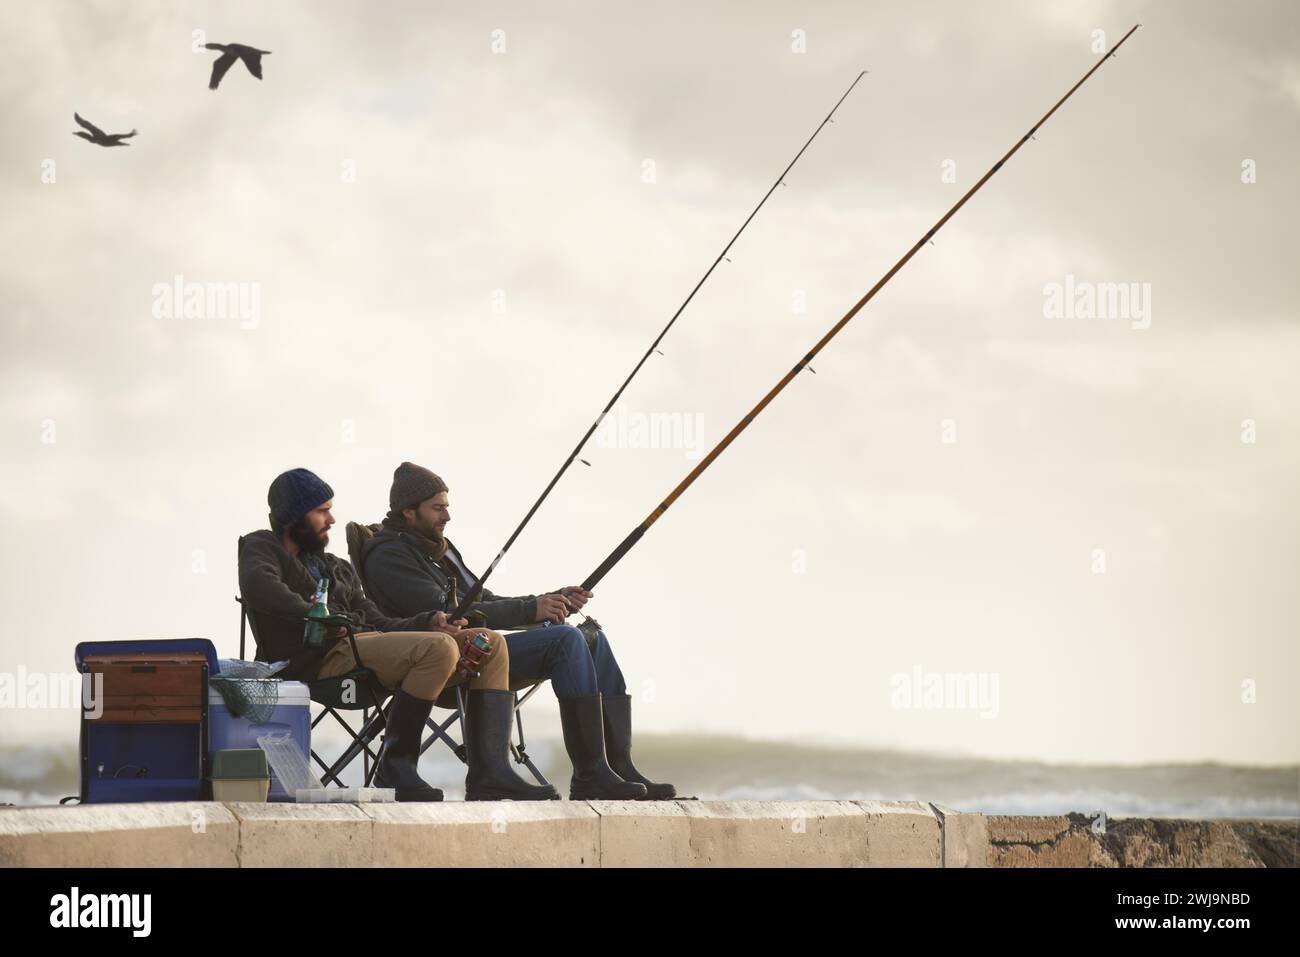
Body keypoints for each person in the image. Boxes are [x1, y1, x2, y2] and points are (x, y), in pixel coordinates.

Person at [238, 467, 556, 802]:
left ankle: (491, 775)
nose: (331, 520)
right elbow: (261, 586)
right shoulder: (262, 546)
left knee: (490, 642)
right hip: (318, 660)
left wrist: (428, 621)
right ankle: (395, 767)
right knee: (440, 649)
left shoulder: (335, 566)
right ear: (295, 516)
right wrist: (320, 615)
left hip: (363, 648)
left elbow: (378, 621)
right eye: (322, 511)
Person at [361, 462, 676, 800]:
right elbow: (450, 612)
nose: (447, 516)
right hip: (446, 662)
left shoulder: (440, 550)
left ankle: (618, 767)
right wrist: (530, 610)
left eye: (447, 507)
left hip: (482, 649)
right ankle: (589, 776)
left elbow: (483, 600)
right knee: (566, 640)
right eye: (438, 508)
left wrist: (549, 601)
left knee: (591, 638)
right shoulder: (388, 556)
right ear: (409, 511)